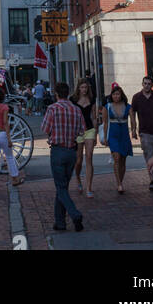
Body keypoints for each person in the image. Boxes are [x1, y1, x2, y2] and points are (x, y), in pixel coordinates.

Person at [41, 82, 84, 233]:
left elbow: (45, 128)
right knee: (63, 187)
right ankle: (60, 222)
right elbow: (81, 131)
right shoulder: (76, 109)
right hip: (71, 150)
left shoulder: (52, 109)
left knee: (60, 187)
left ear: (56, 94)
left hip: (58, 150)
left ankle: (75, 214)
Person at [131, 74, 153, 190]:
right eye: (145, 83)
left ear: (152, 85)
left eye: (149, 84)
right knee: (149, 154)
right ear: (142, 84)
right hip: (144, 131)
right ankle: (151, 180)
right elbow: (132, 113)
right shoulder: (136, 97)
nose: (147, 86)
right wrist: (133, 129)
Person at [0, 86, 24, 190]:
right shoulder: (4, 107)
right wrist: (9, 138)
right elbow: (6, 123)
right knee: (9, 157)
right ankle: (15, 179)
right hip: (2, 134)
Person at [102, 83, 134, 194]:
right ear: (111, 95)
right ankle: (119, 183)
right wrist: (105, 137)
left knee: (123, 160)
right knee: (116, 158)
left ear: (121, 95)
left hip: (124, 135)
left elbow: (133, 119)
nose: (116, 96)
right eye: (114, 94)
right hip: (113, 135)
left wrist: (134, 130)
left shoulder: (127, 106)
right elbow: (105, 123)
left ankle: (121, 180)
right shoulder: (107, 107)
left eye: (118, 94)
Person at [71, 78, 97, 197]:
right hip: (78, 131)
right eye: (82, 87)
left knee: (89, 157)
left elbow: (94, 116)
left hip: (90, 130)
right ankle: (78, 178)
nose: (84, 90)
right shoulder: (73, 100)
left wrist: (95, 133)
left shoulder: (92, 99)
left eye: (86, 87)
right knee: (79, 160)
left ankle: (89, 187)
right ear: (78, 88)